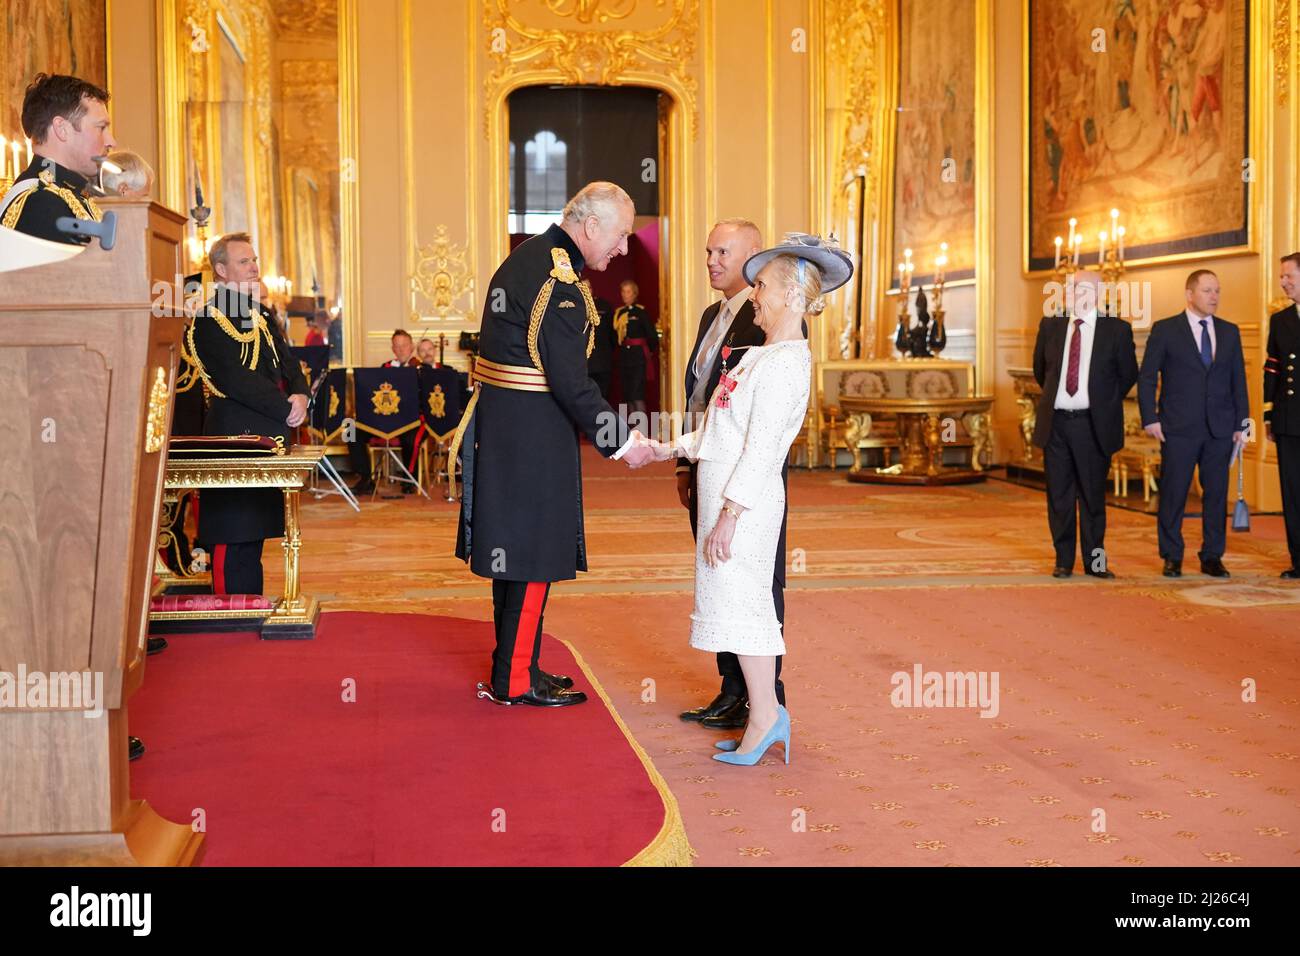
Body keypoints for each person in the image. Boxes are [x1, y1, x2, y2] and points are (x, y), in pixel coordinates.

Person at [641, 235, 852, 764]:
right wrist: (664, 448)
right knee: (738, 610)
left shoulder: (785, 363)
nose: (752, 295)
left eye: (760, 286)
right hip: (726, 503)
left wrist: (730, 516)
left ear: (790, 297)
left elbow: (761, 451)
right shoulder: (760, 356)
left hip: (747, 511)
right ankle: (764, 714)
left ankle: (765, 716)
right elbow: (720, 431)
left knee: (752, 607)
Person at [452, 182, 655, 708]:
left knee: (514, 555)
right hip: (533, 436)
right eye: (621, 235)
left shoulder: (535, 258)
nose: (624, 249)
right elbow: (571, 381)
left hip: (513, 430)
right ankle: (514, 680)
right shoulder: (560, 278)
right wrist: (620, 442)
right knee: (534, 555)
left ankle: (518, 667)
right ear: (591, 226)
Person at [675, 219, 789, 732]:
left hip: (746, 480)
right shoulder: (709, 315)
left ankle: (766, 698)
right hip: (706, 466)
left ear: (753, 256)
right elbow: (696, 397)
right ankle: (731, 689)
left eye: (723, 251)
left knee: (755, 581)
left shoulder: (770, 319)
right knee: (720, 578)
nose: (712, 260)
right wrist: (684, 464)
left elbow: (762, 416)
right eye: (708, 251)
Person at [187, 233, 310, 594]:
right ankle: (229, 611)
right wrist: (285, 406)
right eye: (244, 262)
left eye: (255, 260)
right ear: (222, 270)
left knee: (253, 532)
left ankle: (250, 604)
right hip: (233, 436)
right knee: (232, 531)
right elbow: (235, 378)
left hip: (268, 436)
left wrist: (301, 395)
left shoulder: (261, 313)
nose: (254, 267)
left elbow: (288, 362)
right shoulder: (209, 318)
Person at [1138, 269, 1250, 578]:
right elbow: (1147, 378)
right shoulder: (1165, 330)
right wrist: (1150, 418)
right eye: (1207, 291)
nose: (1214, 297)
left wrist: (1242, 424)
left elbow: (1238, 380)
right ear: (1190, 294)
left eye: (1217, 291)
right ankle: (1172, 555)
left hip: (1220, 429)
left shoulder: (1230, 332)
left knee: (1215, 495)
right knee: (1173, 493)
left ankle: (1212, 555)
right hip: (1177, 428)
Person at [1031, 270, 1139, 578]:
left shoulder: (1117, 330)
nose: (1069, 291)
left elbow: (1127, 375)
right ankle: (1063, 561)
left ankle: (1096, 563)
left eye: (1077, 286)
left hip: (1093, 426)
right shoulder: (1050, 326)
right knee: (1059, 497)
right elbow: (1041, 371)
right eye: (1068, 287)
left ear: (1097, 292)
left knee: (1093, 498)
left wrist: (1101, 403)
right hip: (1057, 425)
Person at [1, 73, 113, 243]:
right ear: (62, 129)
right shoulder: (40, 204)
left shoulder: (70, 197)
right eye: (101, 127)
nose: (111, 141)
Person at [1265, 252, 1300, 579]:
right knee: (1292, 492)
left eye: (1288, 276)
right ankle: (1299, 560)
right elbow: (1272, 369)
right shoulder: (1281, 320)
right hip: (1289, 420)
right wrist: (1268, 414)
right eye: (1281, 277)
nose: (1283, 281)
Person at [613, 280, 658, 422]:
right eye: (623, 292)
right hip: (625, 358)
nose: (625, 295)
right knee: (627, 395)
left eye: (628, 292)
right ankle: (634, 430)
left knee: (637, 394)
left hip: (638, 358)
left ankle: (642, 428)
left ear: (634, 294)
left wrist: (647, 352)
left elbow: (652, 336)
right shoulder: (619, 313)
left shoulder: (640, 312)